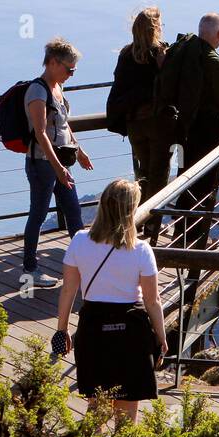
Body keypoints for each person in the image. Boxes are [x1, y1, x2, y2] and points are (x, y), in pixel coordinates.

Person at [54, 179, 168, 422]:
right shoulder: (141, 250)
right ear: (131, 211)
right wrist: (161, 336)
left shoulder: (79, 241)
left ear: (104, 205)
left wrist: (62, 330)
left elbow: (68, 291)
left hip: (93, 327)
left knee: (97, 407)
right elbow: (152, 301)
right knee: (127, 415)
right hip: (132, 332)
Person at [158, 12, 219, 248]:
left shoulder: (184, 51)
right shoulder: (214, 62)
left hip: (182, 128)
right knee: (205, 183)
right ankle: (195, 240)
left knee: (185, 176)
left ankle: (180, 234)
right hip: (207, 132)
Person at [21, 37, 94, 288]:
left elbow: (63, 125)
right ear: (53, 62)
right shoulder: (37, 91)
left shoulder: (57, 88)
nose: (71, 74)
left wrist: (79, 151)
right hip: (43, 164)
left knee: (74, 212)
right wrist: (58, 168)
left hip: (60, 164)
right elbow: (41, 134)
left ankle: (85, 263)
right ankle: (30, 270)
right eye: (69, 69)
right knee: (38, 215)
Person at [107, 7, 170, 238]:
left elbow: (120, 84)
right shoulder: (159, 53)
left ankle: (136, 221)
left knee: (142, 174)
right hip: (157, 123)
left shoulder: (126, 54)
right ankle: (153, 224)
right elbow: (167, 86)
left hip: (134, 123)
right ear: (155, 28)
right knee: (159, 174)